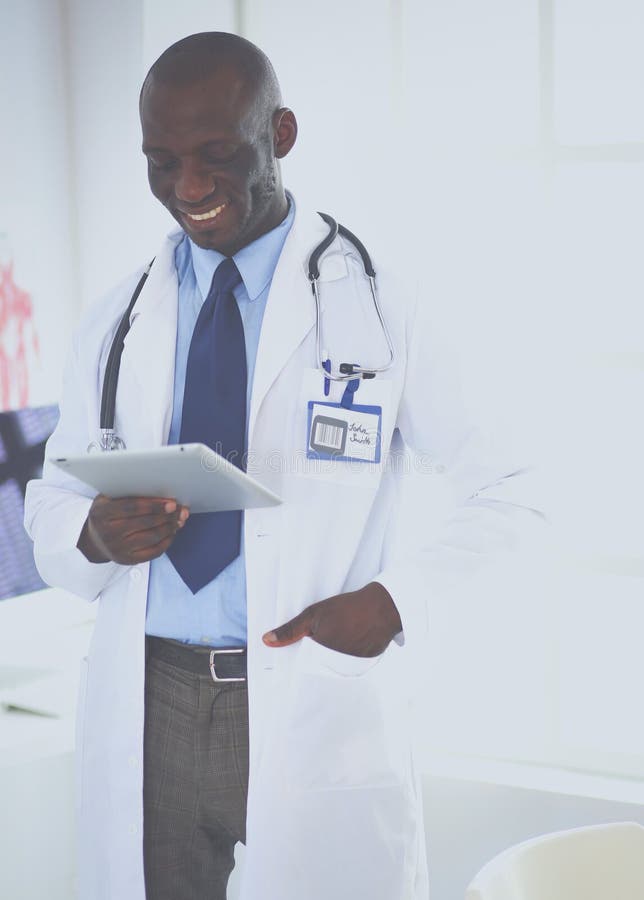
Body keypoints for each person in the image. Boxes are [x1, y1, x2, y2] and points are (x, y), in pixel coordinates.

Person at [24, 31, 540, 900]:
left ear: (282, 133)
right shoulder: (118, 317)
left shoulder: (387, 305)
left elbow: (514, 491)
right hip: (148, 700)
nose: (188, 188)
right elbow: (56, 490)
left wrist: (393, 603)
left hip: (305, 696)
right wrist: (91, 533)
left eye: (217, 155)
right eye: (162, 162)